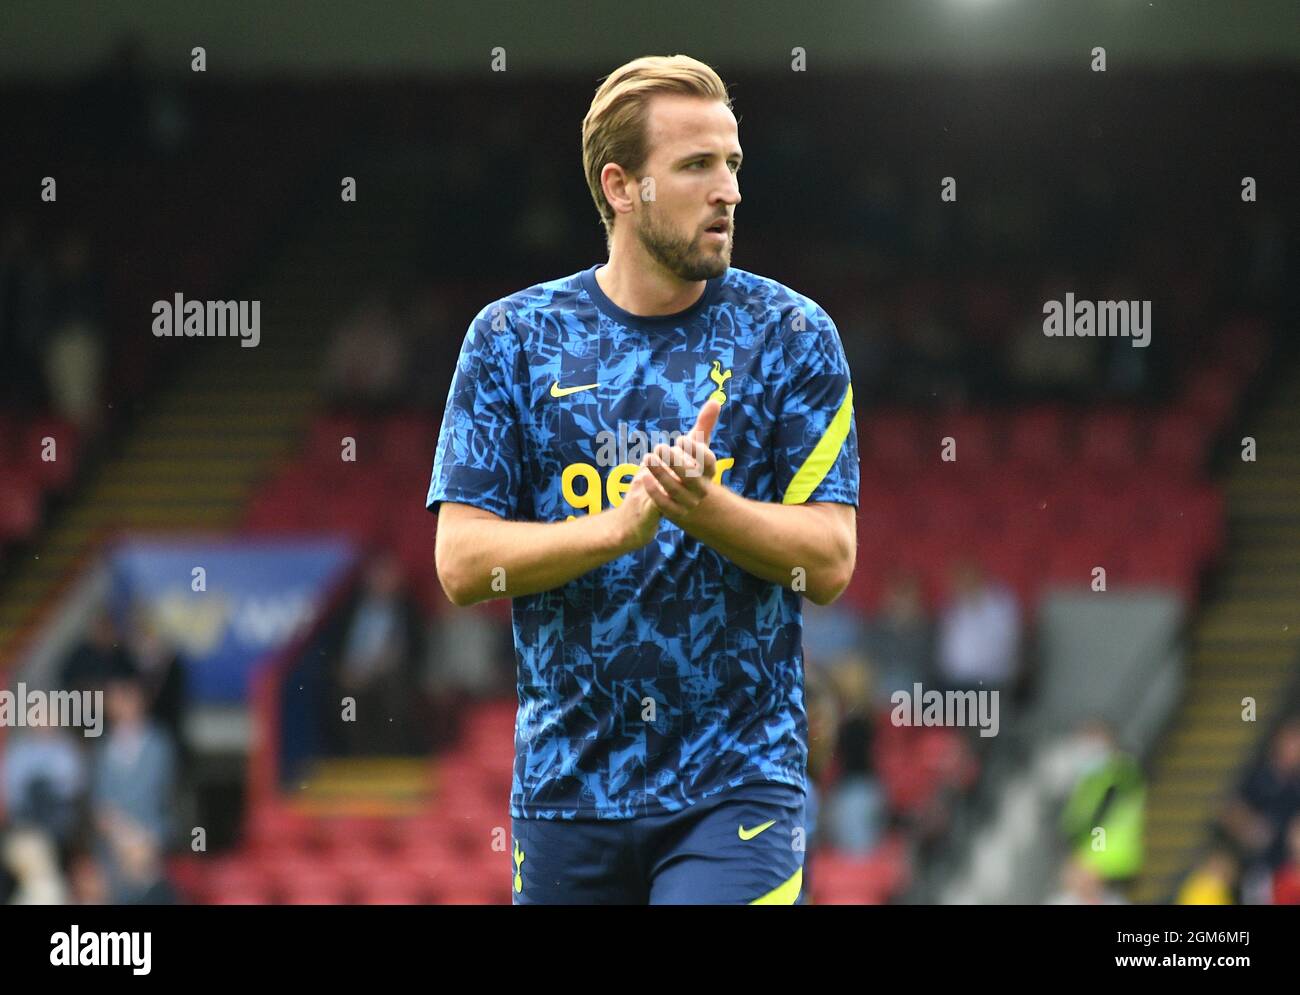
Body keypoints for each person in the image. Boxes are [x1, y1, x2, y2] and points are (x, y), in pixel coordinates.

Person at [429, 55, 859, 905]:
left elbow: (832, 559)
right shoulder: (512, 339)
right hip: (565, 793)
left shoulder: (793, 334)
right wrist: (616, 530)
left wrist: (708, 508)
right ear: (622, 187)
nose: (728, 189)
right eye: (697, 165)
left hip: (737, 786)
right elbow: (460, 562)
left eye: (733, 163)